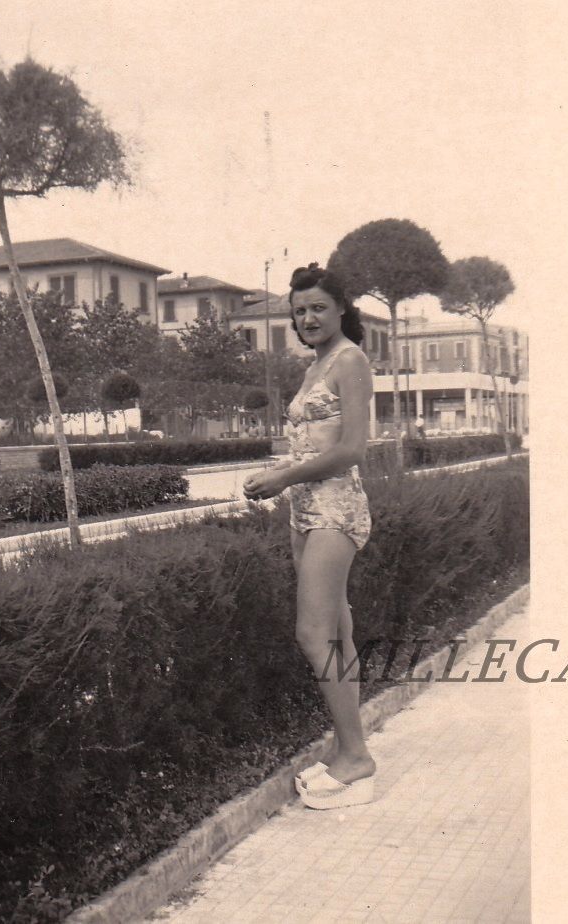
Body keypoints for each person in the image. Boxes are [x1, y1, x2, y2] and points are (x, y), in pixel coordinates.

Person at [243, 262, 377, 809]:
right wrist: (278, 478)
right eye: (299, 311)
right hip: (305, 511)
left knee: (312, 634)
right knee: (338, 633)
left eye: (318, 307)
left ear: (341, 307)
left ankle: (355, 756)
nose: (308, 318)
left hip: (335, 510)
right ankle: (352, 751)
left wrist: (281, 477)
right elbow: (310, 445)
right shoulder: (314, 366)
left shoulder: (351, 361)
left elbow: (350, 451)